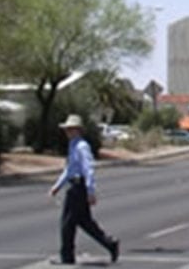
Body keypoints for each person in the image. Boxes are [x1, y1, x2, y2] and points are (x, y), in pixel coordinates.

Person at [48, 114, 120, 265]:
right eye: (66, 130)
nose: (67, 133)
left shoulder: (82, 147)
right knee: (85, 222)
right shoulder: (73, 146)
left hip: (78, 189)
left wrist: (90, 191)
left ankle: (67, 257)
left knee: (67, 224)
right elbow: (69, 170)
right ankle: (109, 244)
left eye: (70, 130)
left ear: (77, 130)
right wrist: (57, 186)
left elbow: (88, 169)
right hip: (74, 186)